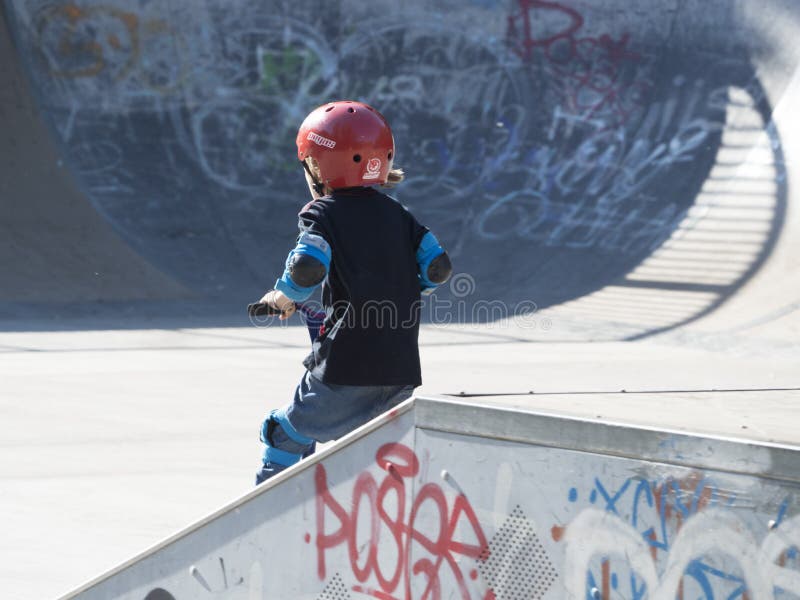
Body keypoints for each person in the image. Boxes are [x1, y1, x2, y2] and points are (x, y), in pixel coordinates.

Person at [254, 100, 452, 484]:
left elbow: (308, 265)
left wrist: (283, 297)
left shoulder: (322, 213)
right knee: (387, 456)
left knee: (282, 434)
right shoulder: (400, 214)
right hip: (399, 368)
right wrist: (410, 288)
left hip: (345, 366)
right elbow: (437, 267)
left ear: (316, 165)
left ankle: (269, 520)